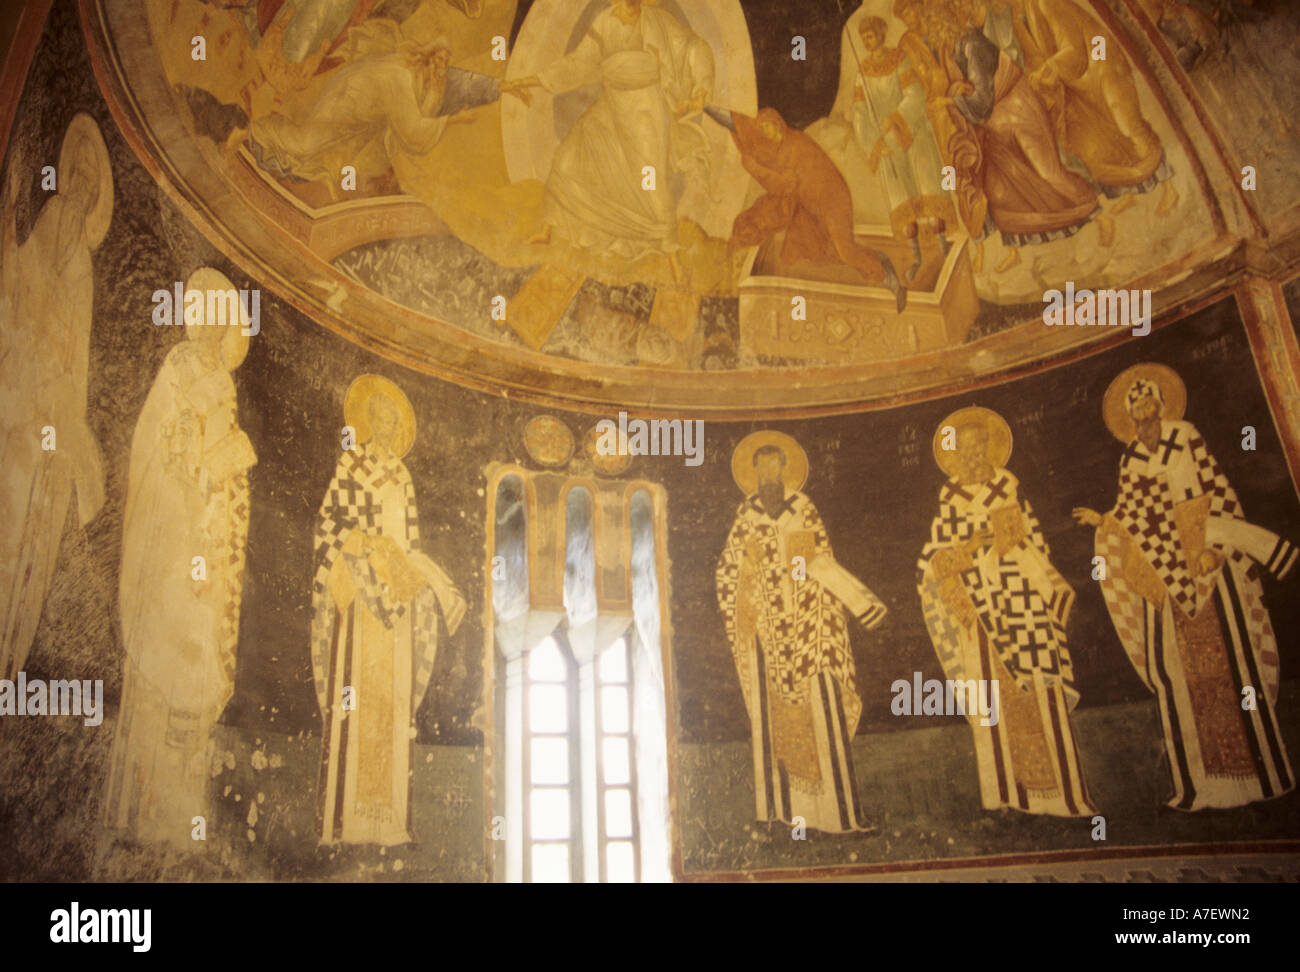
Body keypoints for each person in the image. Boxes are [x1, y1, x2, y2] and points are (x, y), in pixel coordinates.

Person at [1074, 366, 1295, 810]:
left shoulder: (1186, 436)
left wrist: (1218, 545)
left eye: (1149, 402)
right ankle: (1200, 785)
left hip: (1205, 562)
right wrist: (1105, 522)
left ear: (1161, 404)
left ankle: (1262, 778)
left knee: (1234, 663)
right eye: (1136, 406)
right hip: (1162, 571)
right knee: (1177, 672)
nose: (1144, 410)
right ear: (1130, 416)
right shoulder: (1131, 458)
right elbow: (1130, 512)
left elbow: (1214, 488)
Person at [104, 269, 256, 847]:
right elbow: (160, 451)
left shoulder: (222, 380)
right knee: (166, 667)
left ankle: (176, 823)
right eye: (212, 310)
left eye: (227, 314)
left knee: (194, 673)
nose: (219, 323)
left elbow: (222, 471)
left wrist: (226, 473)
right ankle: (145, 816)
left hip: (208, 550)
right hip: (172, 542)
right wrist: (207, 468)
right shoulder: (181, 367)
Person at [917, 408, 1095, 816]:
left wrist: (1010, 553)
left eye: (981, 445)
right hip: (979, 620)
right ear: (956, 454)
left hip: (1025, 611)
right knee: (991, 703)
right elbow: (933, 564)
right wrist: (970, 548)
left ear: (992, 449)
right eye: (966, 447)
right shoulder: (950, 502)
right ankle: (1004, 798)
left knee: (1039, 692)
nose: (974, 453)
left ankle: (1064, 798)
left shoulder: (1010, 492)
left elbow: (1037, 549)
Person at [312, 375, 466, 844]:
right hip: (360, 596)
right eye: (378, 416)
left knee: (393, 702)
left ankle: (390, 822)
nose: (385, 424)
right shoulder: (351, 463)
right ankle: (345, 823)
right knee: (355, 698)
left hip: (397, 602)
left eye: (392, 420)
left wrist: (429, 582)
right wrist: (368, 550)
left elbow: (412, 543)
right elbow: (329, 525)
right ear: (366, 420)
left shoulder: (402, 475)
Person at [715, 433, 886, 833]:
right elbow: (727, 571)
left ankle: (839, 817)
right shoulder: (746, 513)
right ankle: (779, 814)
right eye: (762, 467)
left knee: (821, 711)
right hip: (766, 635)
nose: (769, 474)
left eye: (775, 466)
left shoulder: (803, 507)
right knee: (773, 718)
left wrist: (797, 565)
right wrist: (749, 568)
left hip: (809, 625)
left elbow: (820, 557)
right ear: (754, 472)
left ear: (784, 470)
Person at [0, 114, 112, 682]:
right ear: (67, 174)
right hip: (26, 409)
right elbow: (23, 294)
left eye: (95, 176)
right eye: (81, 170)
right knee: (13, 529)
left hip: (48, 419)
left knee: (29, 547)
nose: (87, 181)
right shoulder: (59, 218)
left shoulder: (83, 255)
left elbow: (78, 359)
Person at [510, 0, 715, 277]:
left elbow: (694, 47)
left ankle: (671, 255)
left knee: (650, 181)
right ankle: (549, 229)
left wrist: (701, 88)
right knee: (569, 156)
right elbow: (578, 63)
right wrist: (528, 81)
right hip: (612, 102)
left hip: (646, 107)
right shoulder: (604, 21)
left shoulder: (657, 21)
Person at [725, 108, 907, 311]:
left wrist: (754, 168)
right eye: (764, 130)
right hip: (811, 206)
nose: (769, 132)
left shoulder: (795, 145)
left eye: (770, 127)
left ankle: (889, 277)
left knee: (846, 252)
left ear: (778, 124)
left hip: (832, 202)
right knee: (798, 252)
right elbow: (783, 188)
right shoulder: (781, 149)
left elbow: (785, 185)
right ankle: (871, 258)